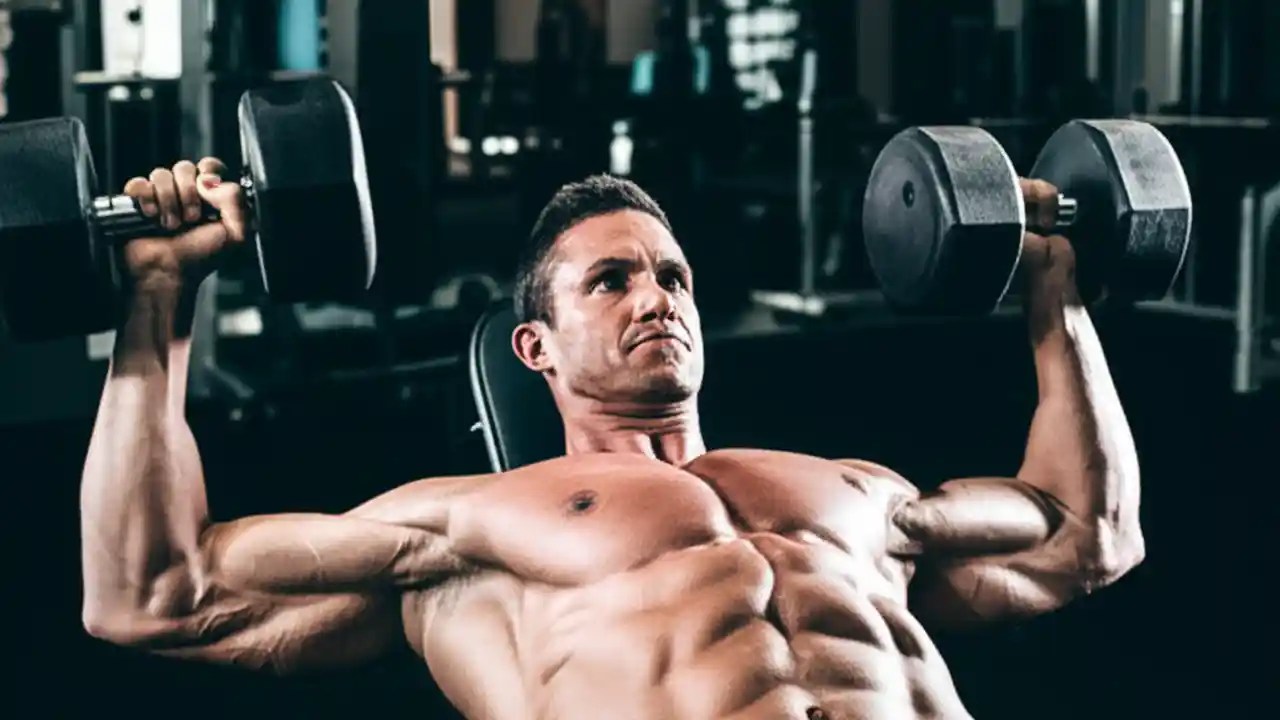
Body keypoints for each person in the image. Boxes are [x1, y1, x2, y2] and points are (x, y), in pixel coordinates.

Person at [80, 160, 1144, 720]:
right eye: (613, 279)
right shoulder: (472, 525)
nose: (657, 298)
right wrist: (160, 301)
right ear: (533, 346)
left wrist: (1055, 286)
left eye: (672, 276)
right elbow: (151, 593)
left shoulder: (851, 491)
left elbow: (1082, 533)